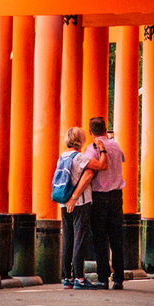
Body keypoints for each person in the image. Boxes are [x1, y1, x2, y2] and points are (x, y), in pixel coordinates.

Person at [84, 115, 126, 290]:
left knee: (100, 238)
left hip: (99, 197)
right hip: (116, 196)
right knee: (116, 237)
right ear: (104, 129)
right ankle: (118, 278)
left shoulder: (91, 149)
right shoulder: (115, 145)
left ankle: (103, 278)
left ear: (90, 131)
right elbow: (121, 159)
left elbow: (87, 169)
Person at [55, 126, 97, 288]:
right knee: (79, 240)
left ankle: (68, 278)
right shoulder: (80, 158)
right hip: (80, 202)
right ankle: (79, 278)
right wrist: (102, 149)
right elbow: (100, 166)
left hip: (64, 203)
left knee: (68, 239)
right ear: (81, 140)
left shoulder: (62, 156)